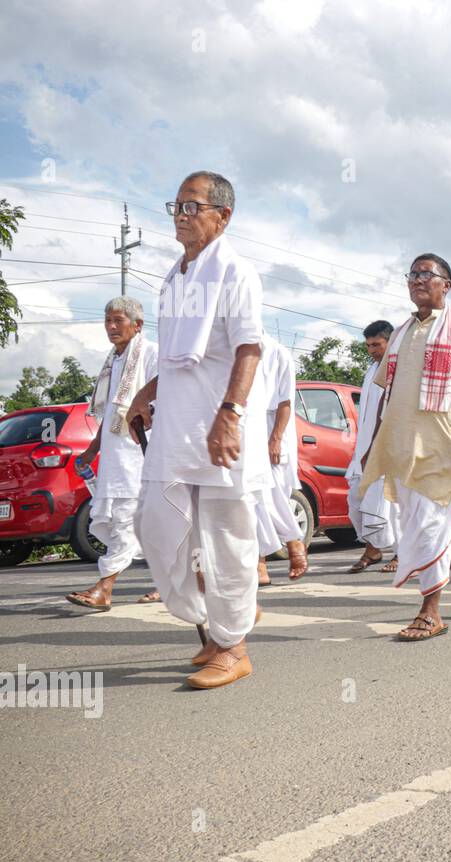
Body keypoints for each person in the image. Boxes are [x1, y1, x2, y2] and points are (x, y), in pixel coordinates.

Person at [127, 170, 270, 689]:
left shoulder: (235, 272)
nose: (181, 216)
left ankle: (233, 647)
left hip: (219, 424)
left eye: (192, 206)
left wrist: (229, 415)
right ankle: (216, 625)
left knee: (226, 538)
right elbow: (177, 356)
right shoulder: (174, 278)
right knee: (156, 524)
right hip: (177, 426)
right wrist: (146, 393)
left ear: (222, 216)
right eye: (177, 207)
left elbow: (249, 347)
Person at [358, 253, 451, 640]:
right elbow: (388, 396)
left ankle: (430, 611)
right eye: (412, 274)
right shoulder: (400, 334)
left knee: (431, 525)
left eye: (426, 274)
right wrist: (374, 443)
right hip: (401, 446)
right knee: (418, 528)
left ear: (446, 285)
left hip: (444, 447)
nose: (417, 280)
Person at [66, 296, 160, 610]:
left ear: (138, 325)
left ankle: (104, 588)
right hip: (115, 458)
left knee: (125, 520)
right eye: (108, 320)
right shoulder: (113, 362)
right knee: (144, 525)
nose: (111, 327)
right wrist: (90, 451)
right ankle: (173, 583)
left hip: (140, 454)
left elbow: (166, 392)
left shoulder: (151, 353)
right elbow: (110, 415)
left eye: (118, 320)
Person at [252, 333, 309, 585]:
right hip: (246, 430)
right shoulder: (232, 347)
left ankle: (294, 543)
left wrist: (275, 439)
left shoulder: (279, 353)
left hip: (273, 430)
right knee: (252, 498)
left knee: (271, 497)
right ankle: (260, 565)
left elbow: (285, 401)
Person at [347, 320, 400, 573]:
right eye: (368, 346)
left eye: (377, 345)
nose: (372, 350)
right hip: (364, 449)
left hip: (388, 448)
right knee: (357, 502)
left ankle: (401, 553)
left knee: (391, 504)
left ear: (390, 342)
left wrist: (375, 448)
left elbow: (390, 414)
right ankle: (374, 548)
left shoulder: (398, 369)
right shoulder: (371, 371)